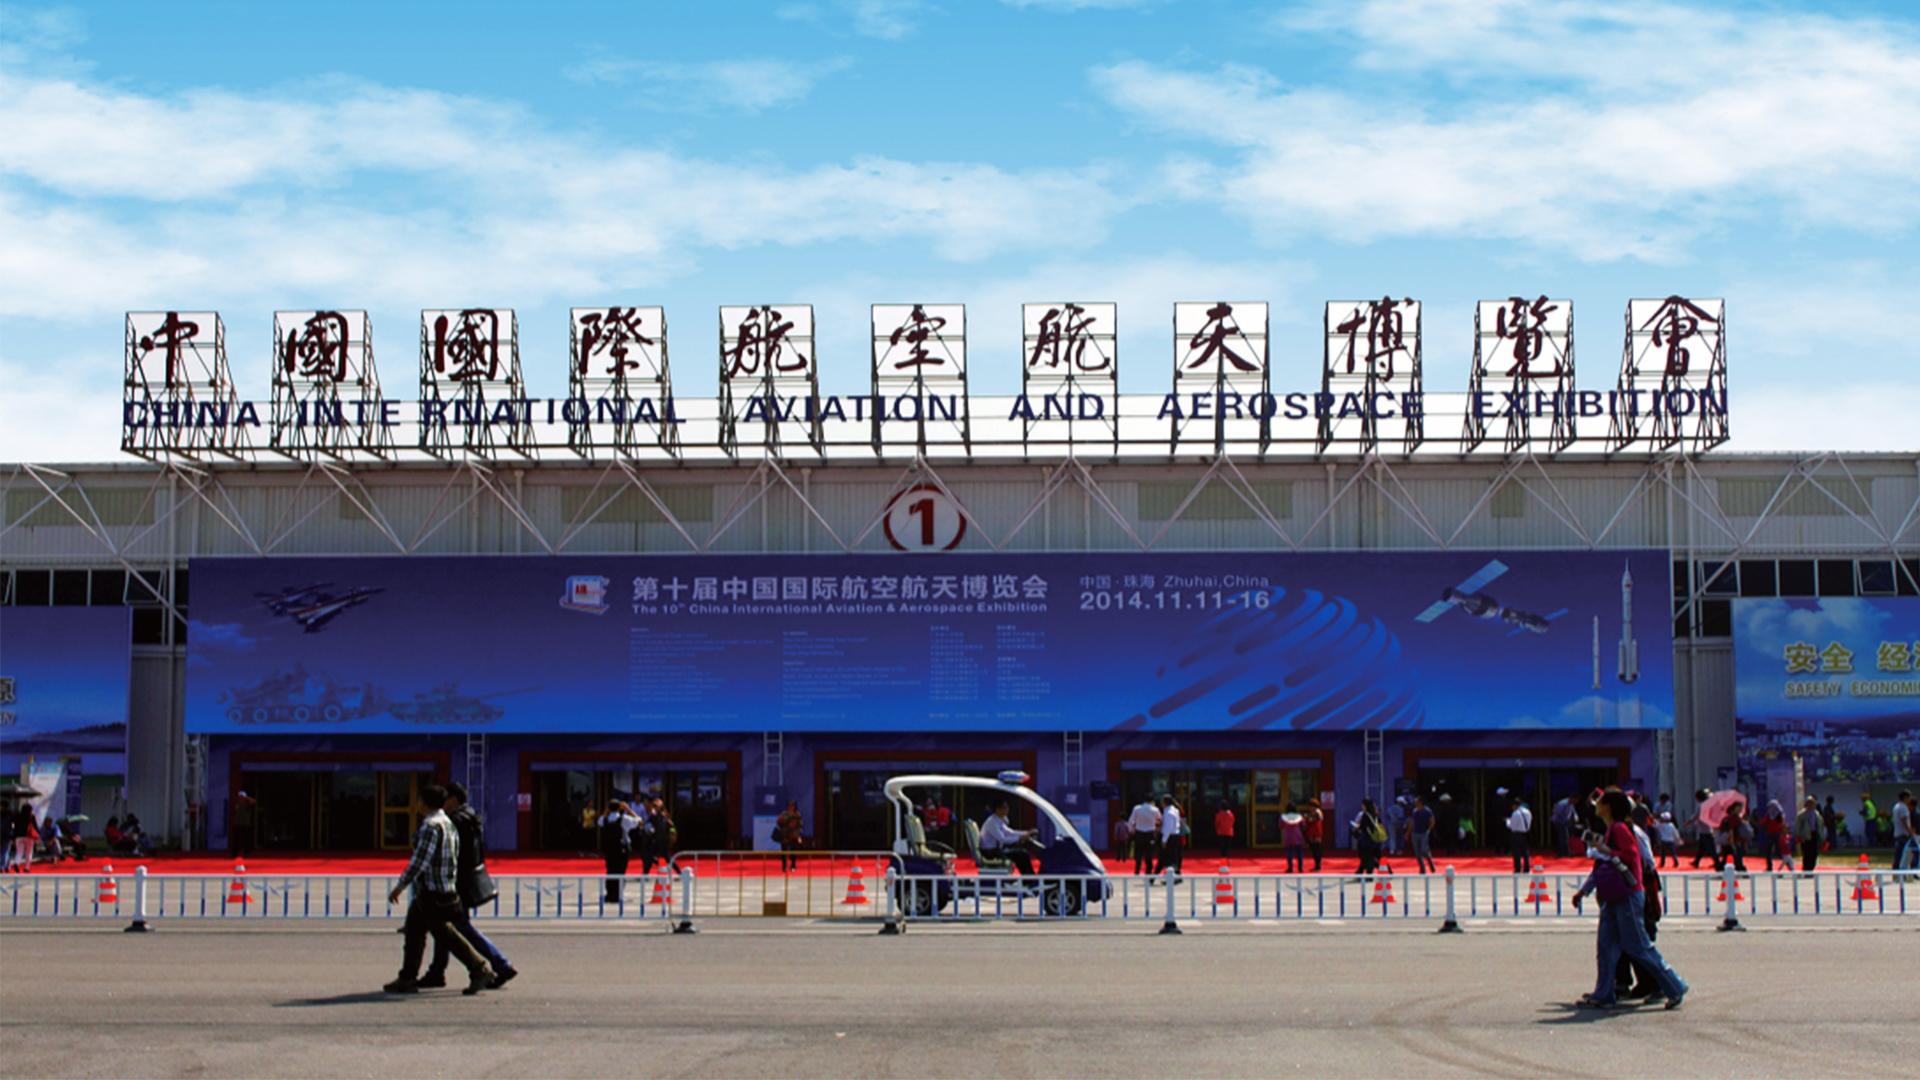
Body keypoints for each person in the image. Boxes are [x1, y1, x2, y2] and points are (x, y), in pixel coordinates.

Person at [1570, 787, 1688, 1010]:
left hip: (1626, 894)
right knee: (1606, 947)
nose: (1596, 804)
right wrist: (1585, 890)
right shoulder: (1611, 829)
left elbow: (1630, 857)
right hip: (1613, 895)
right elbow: (1603, 864)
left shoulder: (1620, 829)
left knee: (1638, 945)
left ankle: (1675, 985)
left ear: (1609, 807)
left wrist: (1606, 850)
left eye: (1600, 801)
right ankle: (1604, 993)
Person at [383, 783, 495, 996]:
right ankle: (407, 977)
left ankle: (479, 968)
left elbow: (420, 861)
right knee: (415, 932)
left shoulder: (431, 826)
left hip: (432, 891)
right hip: (444, 888)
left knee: (445, 935)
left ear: (424, 803)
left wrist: (400, 886)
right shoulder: (447, 823)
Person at [422, 782, 517, 990]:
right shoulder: (471, 816)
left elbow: (451, 853)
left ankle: (501, 964)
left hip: (457, 882)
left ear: (454, 799)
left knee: (460, 927)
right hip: (467, 878)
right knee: (445, 926)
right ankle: (437, 971)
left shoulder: (455, 821)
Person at [596, 800, 640, 902]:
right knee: (620, 872)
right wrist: (628, 810)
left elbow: (599, 821)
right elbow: (638, 821)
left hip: (609, 849)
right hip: (622, 849)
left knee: (610, 871)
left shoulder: (605, 819)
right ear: (619, 808)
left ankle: (610, 894)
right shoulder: (624, 819)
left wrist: (606, 810)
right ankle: (618, 895)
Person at [979, 800, 1037, 876]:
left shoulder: (998, 820)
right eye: (1004, 808)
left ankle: (1029, 878)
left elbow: (1010, 832)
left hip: (996, 851)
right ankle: (1029, 878)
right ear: (997, 809)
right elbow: (1002, 839)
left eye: (1007, 807)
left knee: (1022, 853)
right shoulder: (992, 822)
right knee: (1022, 854)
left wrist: (1027, 833)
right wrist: (1020, 838)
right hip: (990, 853)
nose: (1007, 810)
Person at [1126, 797, 1160, 875]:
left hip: (1139, 833)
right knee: (1149, 853)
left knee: (1139, 853)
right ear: (1152, 801)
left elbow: (1130, 821)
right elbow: (1159, 820)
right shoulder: (1155, 809)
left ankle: (1137, 870)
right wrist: (1157, 829)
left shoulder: (1137, 808)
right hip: (1150, 833)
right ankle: (1148, 871)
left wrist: (1131, 830)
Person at [1352, 798, 1384, 877]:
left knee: (1367, 857)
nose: (1362, 806)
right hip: (1376, 839)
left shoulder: (1365, 815)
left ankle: (1371, 873)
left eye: (1363, 805)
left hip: (1367, 840)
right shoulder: (1375, 814)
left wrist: (1356, 828)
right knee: (1375, 856)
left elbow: (1363, 827)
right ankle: (1360, 872)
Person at [1794, 797, 1825, 873]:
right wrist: (1798, 835)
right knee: (1806, 853)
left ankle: (1811, 869)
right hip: (1805, 836)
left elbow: (1820, 825)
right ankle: (1806, 869)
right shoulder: (1802, 815)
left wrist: (1822, 836)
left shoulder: (1817, 814)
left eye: (1812, 803)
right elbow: (1797, 825)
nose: (1811, 805)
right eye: (1809, 803)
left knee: (1814, 853)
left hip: (1815, 835)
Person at [1156, 797, 1186, 877]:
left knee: (1166, 858)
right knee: (1173, 858)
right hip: (1175, 836)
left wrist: (1164, 840)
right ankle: (1176, 875)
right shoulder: (1175, 810)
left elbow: (1168, 827)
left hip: (1170, 837)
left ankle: (1156, 876)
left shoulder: (1168, 812)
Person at [1408, 796, 1437, 874]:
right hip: (1415, 833)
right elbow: (1412, 822)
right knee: (1417, 852)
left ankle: (1430, 863)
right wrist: (1408, 832)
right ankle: (1422, 868)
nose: (1415, 803)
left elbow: (1432, 821)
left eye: (1416, 801)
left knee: (1424, 850)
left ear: (1420, 802)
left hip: (1424, 833)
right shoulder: (1414, 811)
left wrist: (1429, 829)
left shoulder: (1427, 811)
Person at [1758, 800, 1788, 872]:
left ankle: (1770, 867)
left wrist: (1759, 821)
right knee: (1779, 851)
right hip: (1777, 835)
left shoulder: (1770, 815)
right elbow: (1783, 825)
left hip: (1771, 834)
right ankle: (1784, 865)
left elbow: (1762, 823)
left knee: (1769, 851)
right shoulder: (1780, 815)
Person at [775, 801, 804, 873]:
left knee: (793, 852)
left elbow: (800, 825)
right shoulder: (784, 814)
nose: (791, 807)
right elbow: (778, 822)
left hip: (793, 836)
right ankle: (784, 866)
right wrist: (783, 827)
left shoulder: (797, 814)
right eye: (790, 806)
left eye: (792, 806)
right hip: (785, 836)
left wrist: (799, 835)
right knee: (784, 852)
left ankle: (793, 866)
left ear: (794, 807)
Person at [1506, 797, 1533, 874]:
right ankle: (1526, 868)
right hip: (1526, 833)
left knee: (1516, 851)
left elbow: (1512, 826)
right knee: (1525, 851)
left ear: (1515, 805)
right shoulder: (1528, 812)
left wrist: (1507, 822)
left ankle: (1518, 868)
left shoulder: (1515, 813)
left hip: (1517, 834)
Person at [229, 790, 257, 859]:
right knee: (236, 840)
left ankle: (246, 853)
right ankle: (234, 854)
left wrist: (246, 797)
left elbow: (254, 801)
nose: (241, 797)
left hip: (245, 824)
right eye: (240, 796)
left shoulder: (248, 803)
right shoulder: (236, 803)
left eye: (242, 796)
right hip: (237, 823)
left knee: (246, 840)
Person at [1893, 791, 1916, 870]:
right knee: (1905, 854)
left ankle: (1896, 870)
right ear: (1905, 798)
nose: (1910, 799)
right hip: (1903, 834)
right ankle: (1902, 871)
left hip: (1897, 833)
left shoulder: (1896, 806)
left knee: (1898, 854)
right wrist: (1910, 832)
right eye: (1909, 797)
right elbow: (1904, 821)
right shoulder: (1903, 807)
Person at [1302, 800, 1325, 871]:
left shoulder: (1317, 812)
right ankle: (1317, 865)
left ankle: (1318, 865)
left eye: (1311, 806)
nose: (1309, 808)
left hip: (1316, 832)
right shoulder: (1313, 812)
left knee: (1316, 849)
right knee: (1313, 849)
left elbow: (1312, 820)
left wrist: (1306, 818)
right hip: (1311, 832)